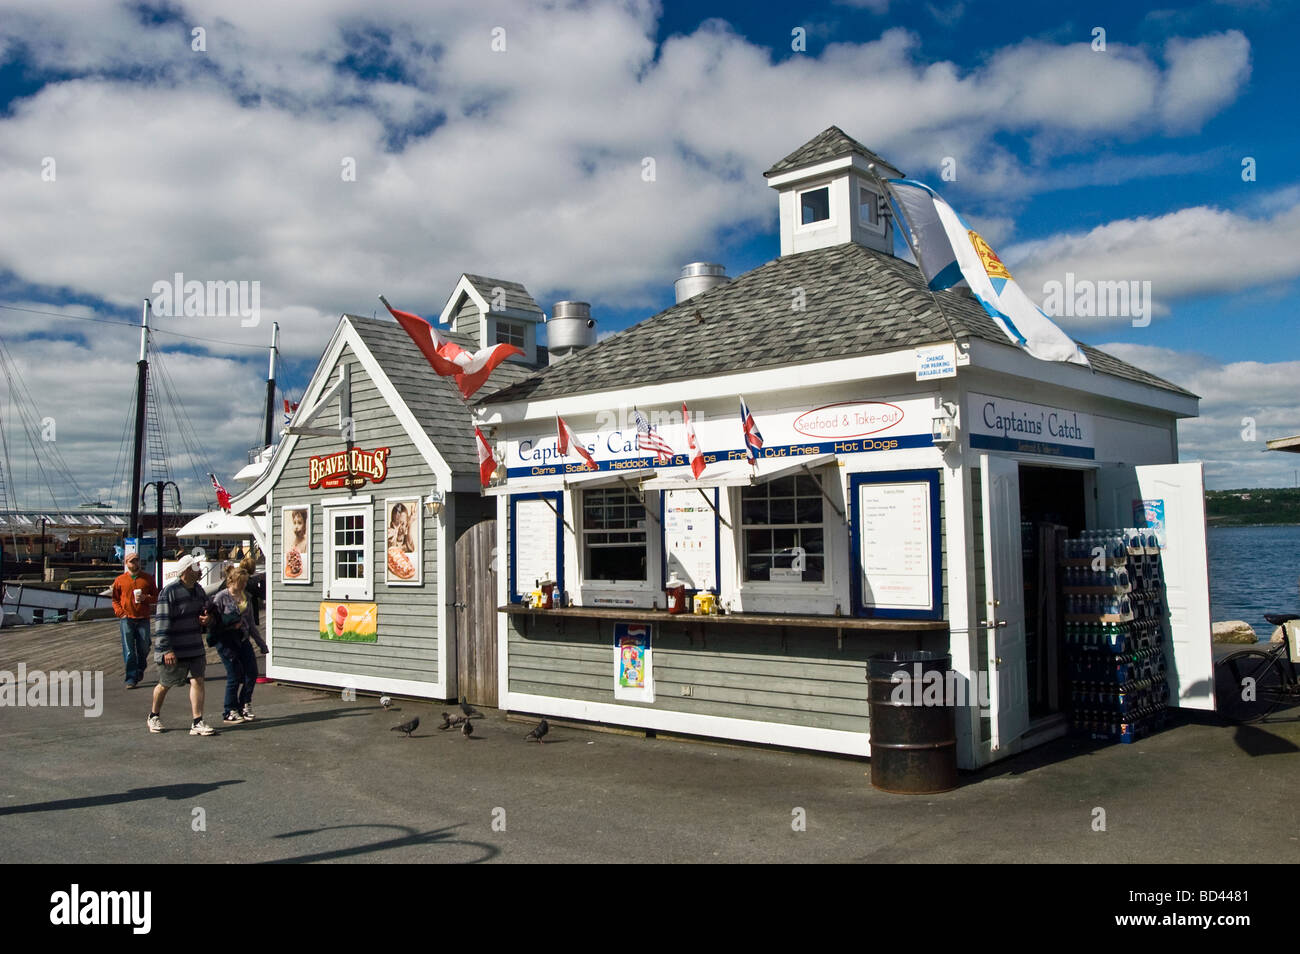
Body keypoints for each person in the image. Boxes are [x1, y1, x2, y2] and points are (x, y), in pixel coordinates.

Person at [148, 554, 216, 736]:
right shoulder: (168, 592)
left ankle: (197, 721)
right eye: (196, 567)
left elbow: (206, 612)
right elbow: (162, 622)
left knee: (198, 681)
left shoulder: (199, 591)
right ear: (187, 570)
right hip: (174, 648)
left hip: (194, 645)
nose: (199, 570)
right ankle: (154, 715)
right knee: (165, 683)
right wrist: (166, 649)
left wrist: (207, 619)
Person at [210, 564, 262, 723]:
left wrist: (260, 642)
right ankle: (229, 710)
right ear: (232, 581)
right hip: (226, 640)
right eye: (241, 582)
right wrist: (230, 624)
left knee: (251, 672)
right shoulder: (220, 597)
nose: (243, 585)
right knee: (234, 675)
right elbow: (213, 621)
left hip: (243, 638)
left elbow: (251, 623)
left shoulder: (247, 597)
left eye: (245, 582)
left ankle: (244, 704)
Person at [111, 552, 156, 689]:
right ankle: (131, 678)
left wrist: (146, 598)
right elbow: (115, 599)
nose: (134, 563)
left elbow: (156, 596)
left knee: (144, 646)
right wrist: (120, 613)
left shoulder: (147, 578)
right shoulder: (119, 580)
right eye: (131, 561)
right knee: (129, 650)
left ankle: (140, 669)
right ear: (126, 563)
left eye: (136, 561)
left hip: (143, 617)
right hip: (127, 618)